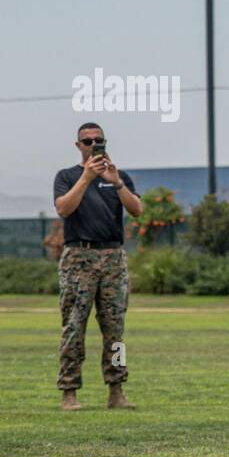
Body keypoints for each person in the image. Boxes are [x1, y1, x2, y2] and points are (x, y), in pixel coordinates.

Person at [52, 122, 143, 411]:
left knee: (115, 330)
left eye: (98, 140)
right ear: (78, 145)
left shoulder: (119, 177)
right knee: (74, 327)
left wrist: (115, 181)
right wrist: (87, 177)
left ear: (105, 142)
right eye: (87, 141)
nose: (93, 145)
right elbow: (64, 208)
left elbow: (137, 210)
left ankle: (116, 391)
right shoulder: (67, 176)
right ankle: (69, 391)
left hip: (113, 258)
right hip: (79, 257)